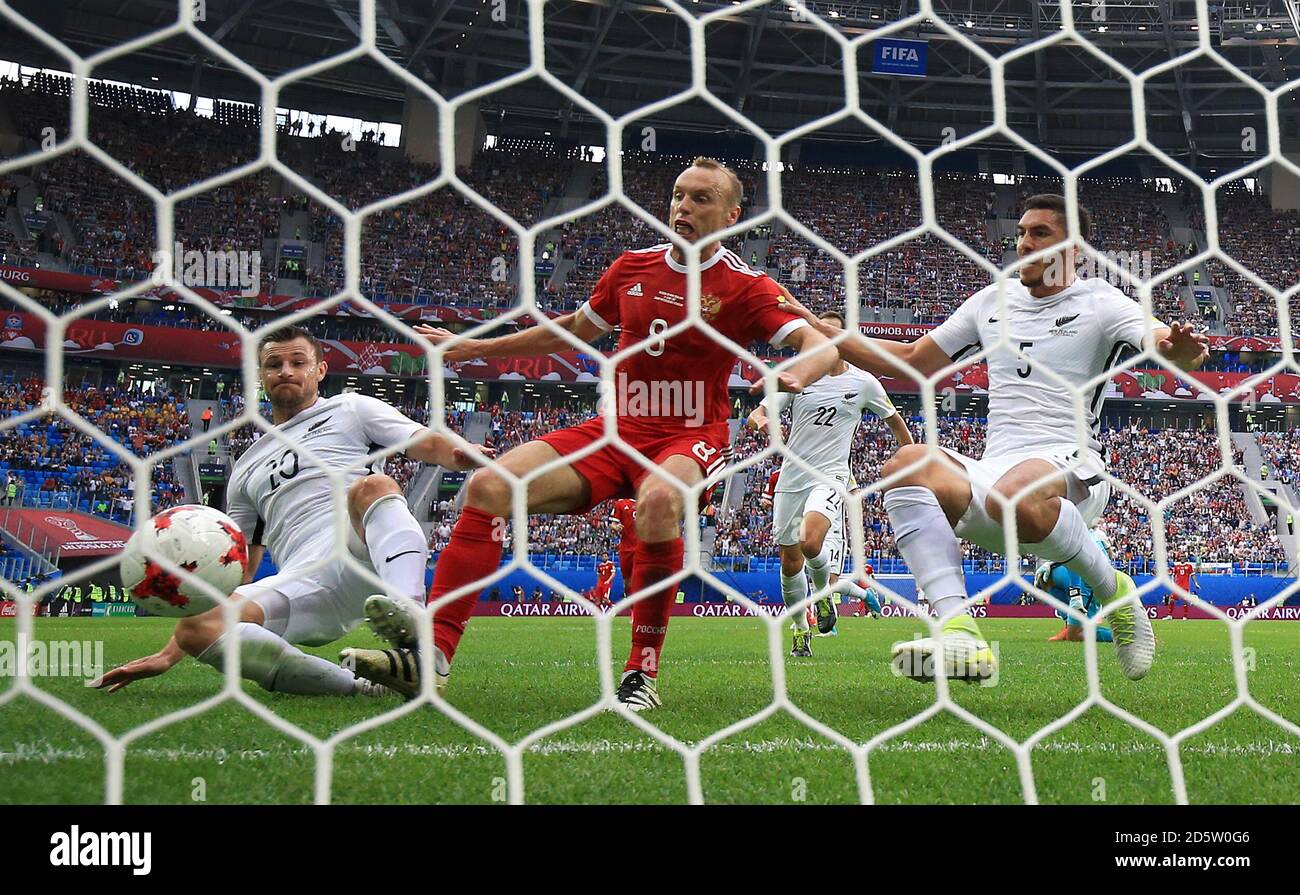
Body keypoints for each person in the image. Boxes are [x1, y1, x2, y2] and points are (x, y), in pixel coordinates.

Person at [349, 156, 836, 710]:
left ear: (731, 215)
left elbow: (821, 344)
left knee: (656, 502)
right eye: (679, 195)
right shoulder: (631, 267)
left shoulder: (747, 287)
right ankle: (429, 659)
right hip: (612, 430)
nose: (684, 207)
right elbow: (570, 332)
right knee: (488, 487)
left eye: (702, 199)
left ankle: (640, 675)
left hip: (688, 434)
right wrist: (471, 348)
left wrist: (793, 373)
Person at [780, 193, 1208, 683]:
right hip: (997, 470)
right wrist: (821, 331)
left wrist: (1181, 353)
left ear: (1074, 248)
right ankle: (959, 633)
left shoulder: (1102, 302)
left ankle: (1114, 591)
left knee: (1016, 494)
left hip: (1073, 467)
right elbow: (914, 359)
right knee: (904, 465)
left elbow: (1162, 342)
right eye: (1021, 233)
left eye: (1040, 233)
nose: (1024, 243)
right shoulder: (992, 301)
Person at [92, 326, 488, 697]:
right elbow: (238, 568)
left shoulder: (351, 409)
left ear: (320, 370)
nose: (286, 371)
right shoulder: (245, 467)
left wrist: (456, 453)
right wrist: (169, 654)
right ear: (261, 376)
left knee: (373, 486)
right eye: (274, 364)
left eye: (298, 362)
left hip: (361, 552)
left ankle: (410, 616)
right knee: (197, 627)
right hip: (305, 583)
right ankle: (361, 687)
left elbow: (420, 439)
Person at [746, 310, 912, 656]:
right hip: (792, 477)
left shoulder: (863, 382)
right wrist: (760, 419)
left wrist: (914, 460)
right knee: (790, 562)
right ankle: (799, 629)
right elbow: (758, 412)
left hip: (832, 475)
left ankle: (824, 601)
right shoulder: (798, 377)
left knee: (811, 541)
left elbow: (895, 422)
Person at [1036, 529, 1114, 643]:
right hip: (1075, 572)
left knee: (1075, 635)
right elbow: (1109, 554)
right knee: (1044, 577)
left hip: (1090, 578)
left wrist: (1075, 594)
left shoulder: (1067, 530)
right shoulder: (1093, 532)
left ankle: (1125, 636)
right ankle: (1071, 625)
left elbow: (1075, 557)